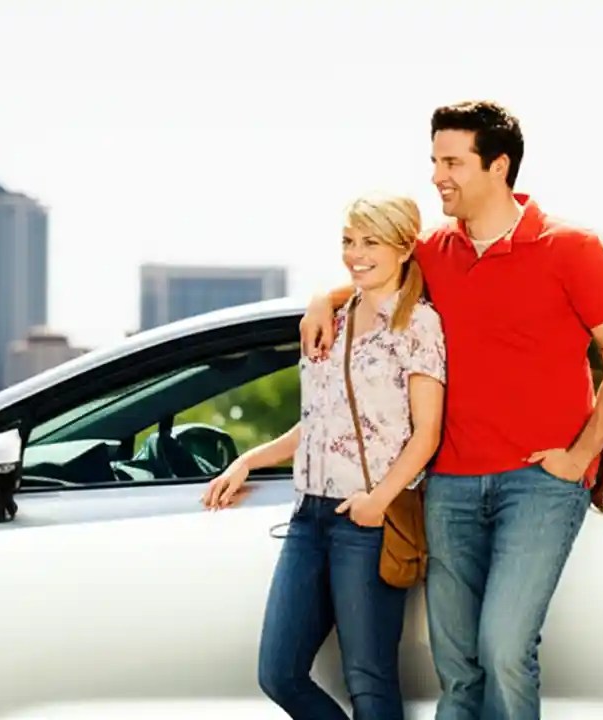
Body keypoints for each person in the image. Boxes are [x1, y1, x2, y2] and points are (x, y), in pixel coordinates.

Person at [298, 100, 603, 720]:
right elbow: (372, 278)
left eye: (452, 161)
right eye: (435, 160)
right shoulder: (435, 250)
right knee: (456, 667)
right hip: (452, 486)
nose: (438, 175)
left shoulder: (571, 248)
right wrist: (318, 303)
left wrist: (577, 459)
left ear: (498, 165)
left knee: (506, 647)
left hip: (538, 486)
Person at [203, 193, 447, 720]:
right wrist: (249, 460)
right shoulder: (335, 314)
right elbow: (320, 421)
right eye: (348, 241)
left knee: (370, 679)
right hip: (308, 514)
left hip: (367, 518)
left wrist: (378, 501)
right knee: (279, 672)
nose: (356, 254)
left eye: (371, 242)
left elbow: (427, 432)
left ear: (404, 247)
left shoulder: (417, 325)